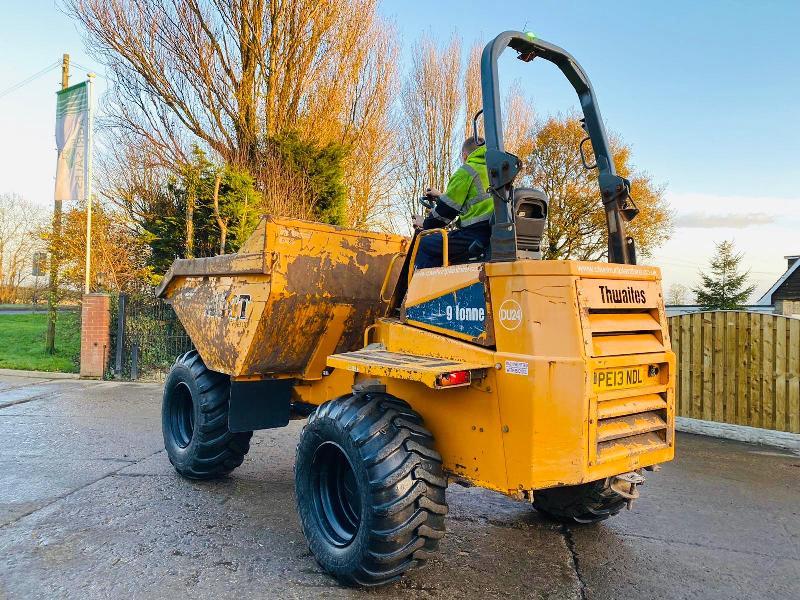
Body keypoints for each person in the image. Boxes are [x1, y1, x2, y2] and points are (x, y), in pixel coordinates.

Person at [414, 136, 493, 269]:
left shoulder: (467, 171)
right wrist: (441, 196)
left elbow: (445, 214)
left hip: (474, 236)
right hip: (492, 234)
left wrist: (425, 223)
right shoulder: (494, 171)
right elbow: (475, 205)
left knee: (425, 243)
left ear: (464, 155)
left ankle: (429, 288)